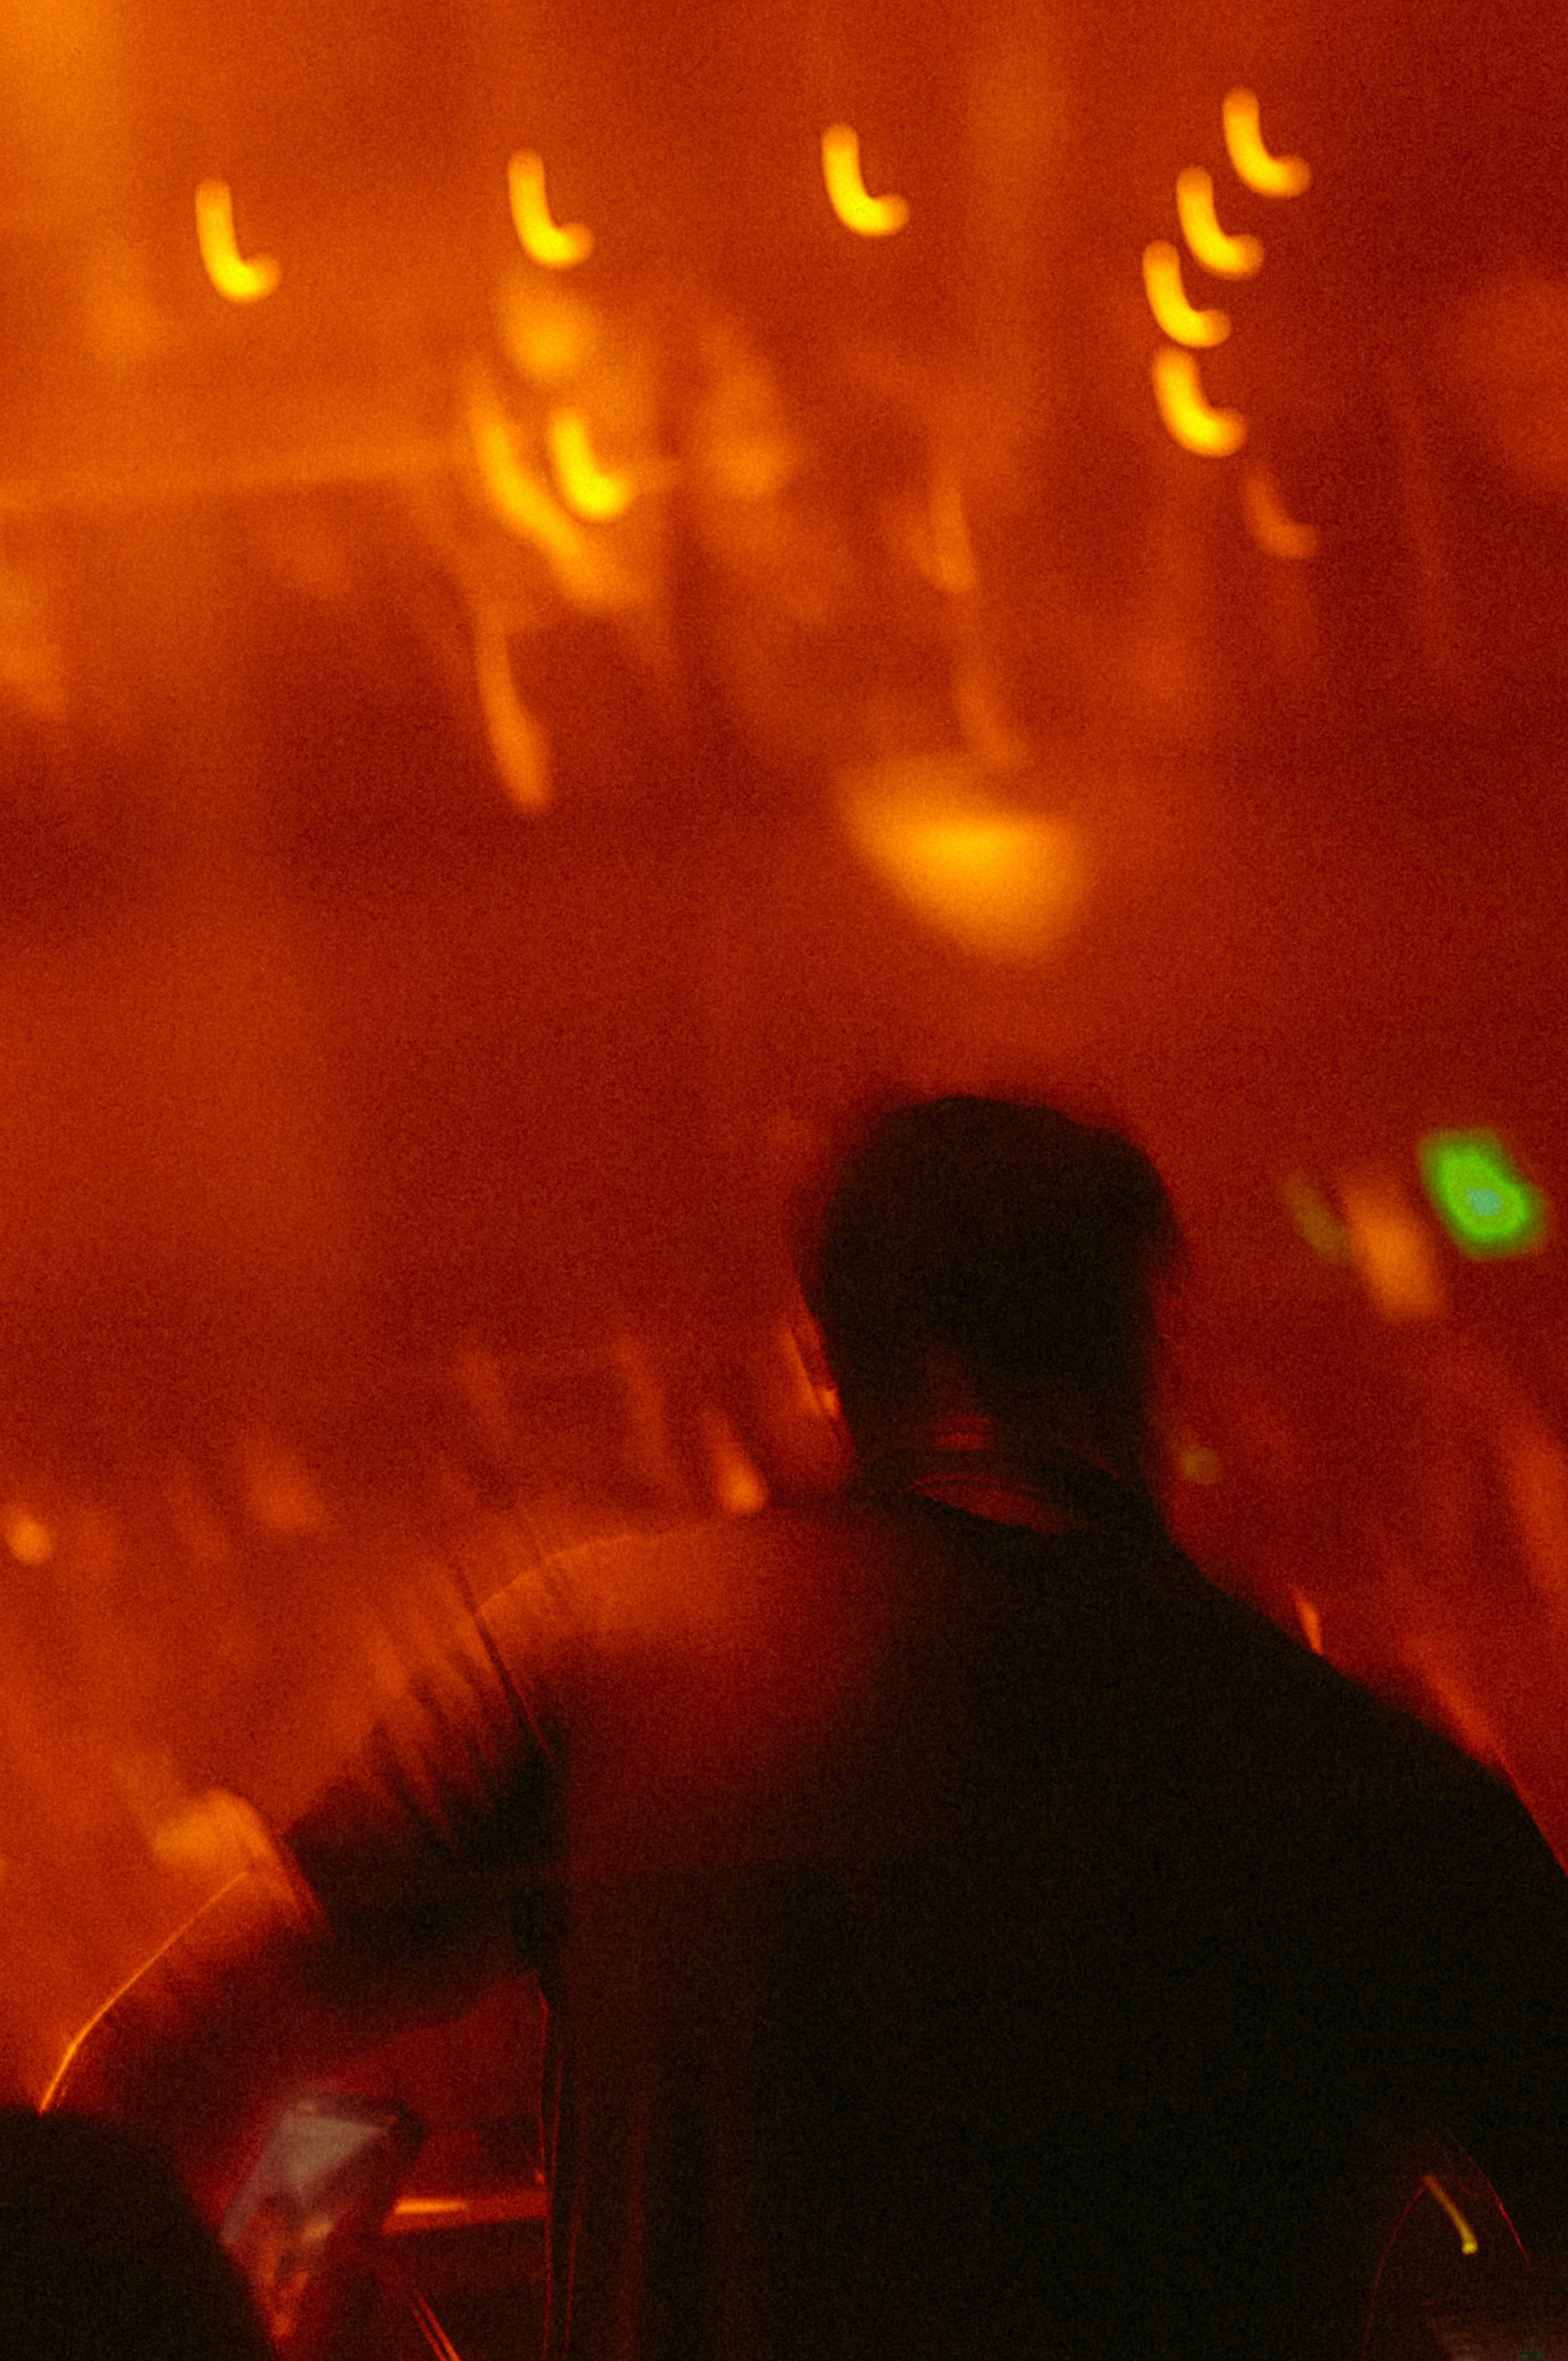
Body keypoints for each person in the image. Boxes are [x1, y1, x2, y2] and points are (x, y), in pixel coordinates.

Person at [47, 1096, 1568, 2361]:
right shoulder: (1370, 1784)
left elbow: (167, 2061)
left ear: (822, 1354)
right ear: (1148, 1344)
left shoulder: (590, 1654)